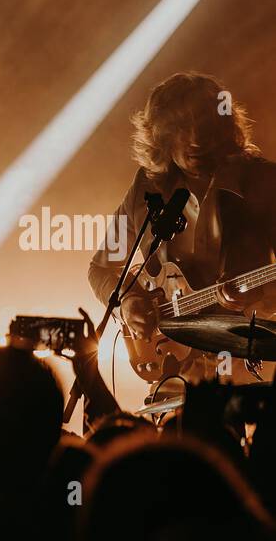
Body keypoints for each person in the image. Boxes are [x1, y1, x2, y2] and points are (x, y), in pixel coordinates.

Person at [88, 72, 276, 387]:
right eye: (178, 128)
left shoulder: (263, 182)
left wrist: (266, 299)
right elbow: (101, 269)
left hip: (251, 367)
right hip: (177, 376)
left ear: (224, 128)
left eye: (204, 125)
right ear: (159, 136)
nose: (194, 139)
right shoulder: (145, 189)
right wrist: (126, 304)